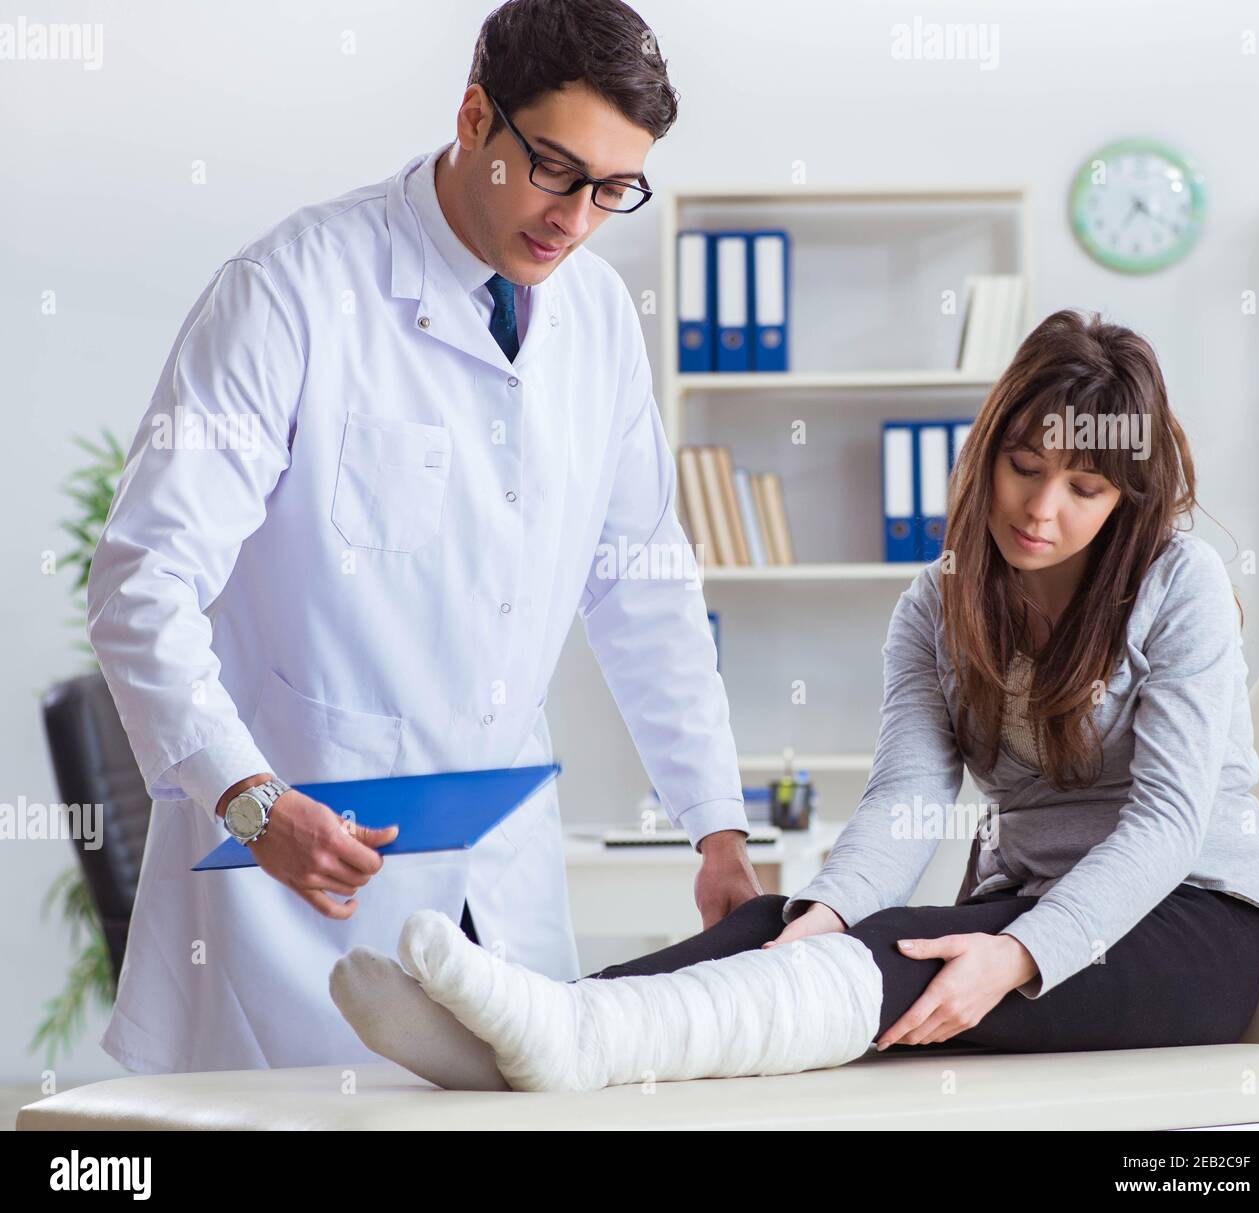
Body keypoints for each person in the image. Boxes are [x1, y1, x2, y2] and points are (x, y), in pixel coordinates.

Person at [330, 308, 1259, 1092]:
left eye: (1084, 488)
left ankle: (571, 1040)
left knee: (895, 954)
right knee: (784, 923)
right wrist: (826, 915)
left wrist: (1021, 956)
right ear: (990, 451)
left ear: (1126, 497)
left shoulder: (1182, 583)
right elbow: (903, 803)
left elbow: (1168, 820)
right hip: (1031, 902)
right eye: (1026, 469)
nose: (1042, 512)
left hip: (1186, 921)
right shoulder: (940, 600)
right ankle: (518, 1031)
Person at [85, 0, 759, 1076]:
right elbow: (141, 582)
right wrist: (249, 798)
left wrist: (715, 827)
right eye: (553, 170)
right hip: (291, 896)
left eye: (612, 190)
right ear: (475, 116)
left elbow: (643, 590)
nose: (576, 219)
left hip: (505, 892)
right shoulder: (291, 293)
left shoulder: (595, 323)